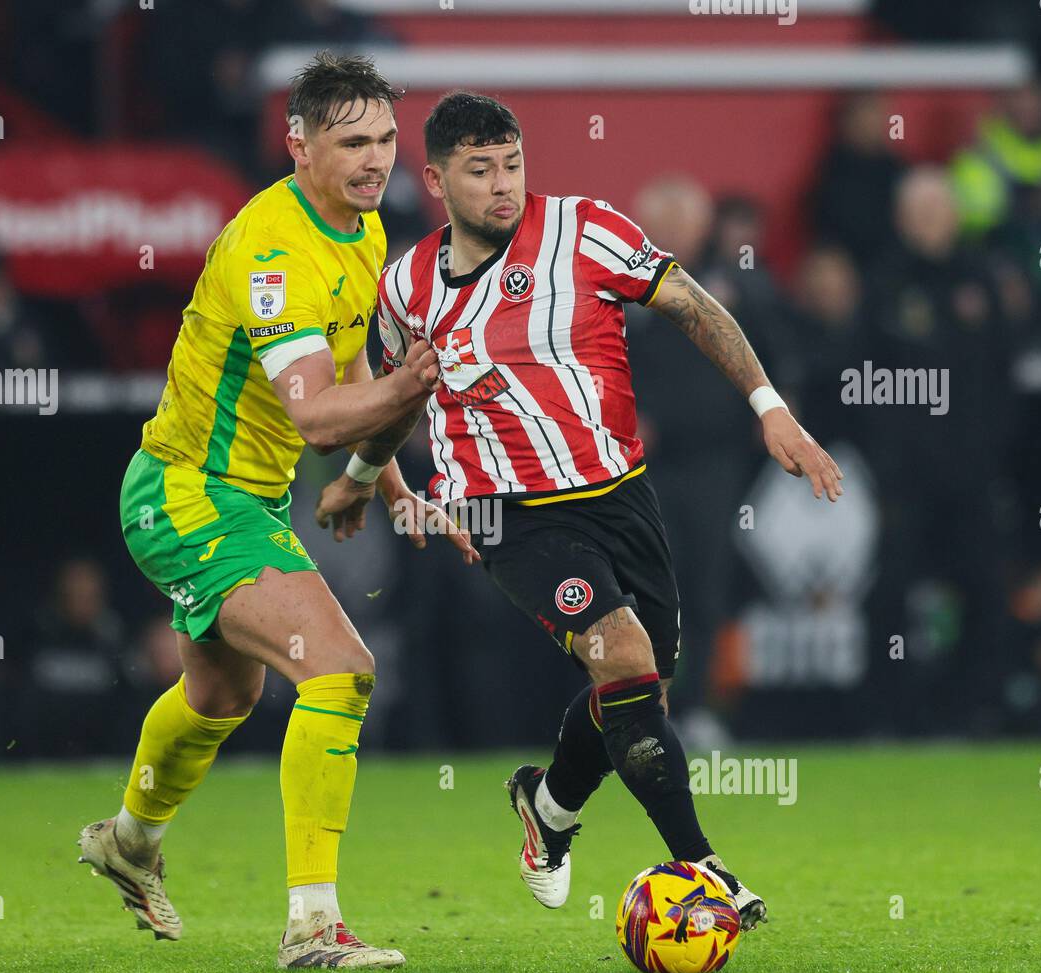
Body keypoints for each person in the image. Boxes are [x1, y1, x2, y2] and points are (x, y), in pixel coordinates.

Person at [316, 92, 844, 930]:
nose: (503, 186)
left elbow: (695, 307)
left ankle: (550, 802)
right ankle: (702, 866)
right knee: (624, 654)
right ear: (437, 178)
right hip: (507, 515)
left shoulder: (584, 230)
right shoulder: (407, 285)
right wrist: (373, 478)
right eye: (480, 170)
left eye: (513, 165)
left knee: (642, 686)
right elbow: (392, 398)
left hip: (622, 495)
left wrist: (770, 407)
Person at [78, 52, 474, 970]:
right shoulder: (273, 249)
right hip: (186, 494)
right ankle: (312, 928)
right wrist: (415, 381)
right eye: (351, 143)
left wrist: (394, 484)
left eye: (384, 139)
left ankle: (127, 842)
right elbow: (313, 412)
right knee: (339, 669)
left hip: (240, 497)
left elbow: (355, 386)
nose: (375, 160)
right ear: (297, 144)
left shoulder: (362, 231)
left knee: (223, 695)